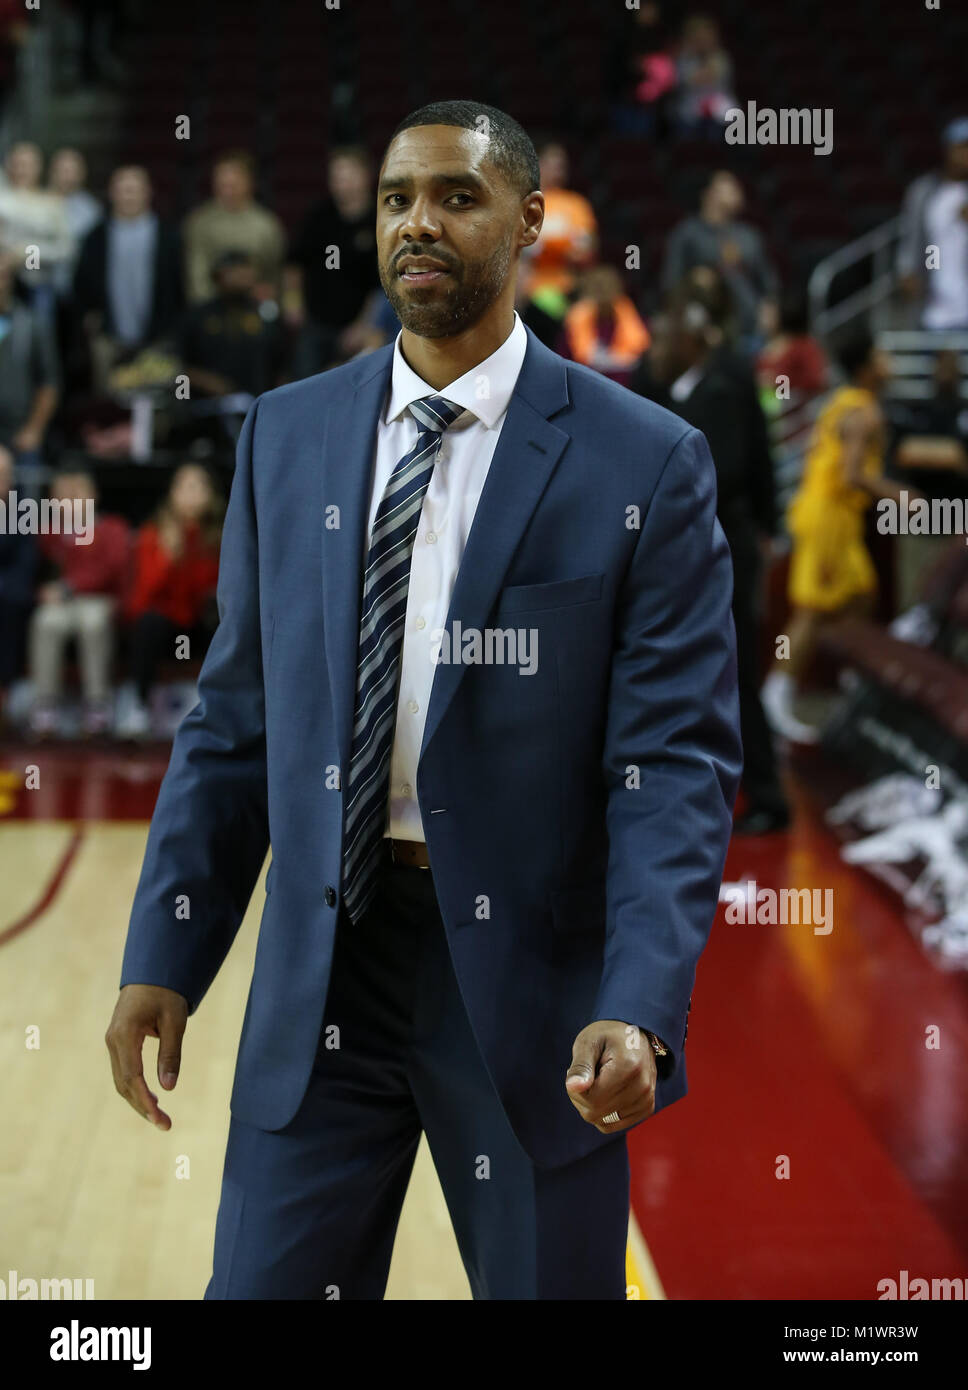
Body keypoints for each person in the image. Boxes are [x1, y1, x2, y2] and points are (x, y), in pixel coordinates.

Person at [107, 99, 741, 1301]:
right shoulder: (286, 437)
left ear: (528, 224)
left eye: (456, 196)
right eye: (399, 198)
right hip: (324, 967)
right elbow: (232, 724)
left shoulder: (643, 460)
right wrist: (166, 951)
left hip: (528, 990)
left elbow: (671, 762)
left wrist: (641, 1002)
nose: (418, 223)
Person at [632, 280, 789, 834]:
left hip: (726, 551)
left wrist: (771, 528)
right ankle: (681, 789)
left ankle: (768, 795)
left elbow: (749, 465)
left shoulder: (728, 385)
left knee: (737, 672)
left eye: (666, 338)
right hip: (670, 556)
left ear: (693, 341)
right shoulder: (658, 388)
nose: (654, 348)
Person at [762, 333, 909, 744]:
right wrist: (902, 496)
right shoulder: (863, 413)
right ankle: (776, 694)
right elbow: (852, 475)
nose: (889, 363)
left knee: (861, 595)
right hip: (828, 517)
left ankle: (851, 680)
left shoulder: (843, 400)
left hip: (829, 515)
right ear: (866, 367)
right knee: (810, 610)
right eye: (882, 355)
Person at [120, 463, 222, 739]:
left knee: (226, 621)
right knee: (148, 624)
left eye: (198, 486)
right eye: (184, 486)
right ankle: (139, 708)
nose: (191, 494)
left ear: (210, 495)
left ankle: (222, 710)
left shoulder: (219, 536)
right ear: (172, 494)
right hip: (168, 630)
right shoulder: (153, 534)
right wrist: (169, 557)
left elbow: (212, 591)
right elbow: (143, 596)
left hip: (198, 626)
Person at [27, 469, 130, 737]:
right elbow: (33, 571)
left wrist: (69, 587)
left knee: (93, 623)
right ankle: (45, 707)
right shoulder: (49, 534)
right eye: (63, 494)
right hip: (63, 605)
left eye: (77, 493)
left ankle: (98, 706)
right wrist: (44, 592)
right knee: (45, 621)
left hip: (99, 600)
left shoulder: (111, 527)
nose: (70, 500)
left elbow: (112, 568)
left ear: (93, 496)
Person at [73, 165, 184, 391]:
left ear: (147, 192)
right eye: (123, 189)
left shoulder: (169, 237)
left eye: (134, 189)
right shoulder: (94, 238)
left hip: (158, 338)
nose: (128, 196)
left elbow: (178, 286)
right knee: (108, 407)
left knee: (156, 406)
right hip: (108, 339)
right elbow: (82, 285)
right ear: (112, 193)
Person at [283, 146, 382, 377]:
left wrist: (364, 325)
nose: (342, 183)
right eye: (337, 177)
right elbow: (295, 263)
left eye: (349, 176)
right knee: (305, 382)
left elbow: (380, 285)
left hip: (358, 325)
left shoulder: (378, 220)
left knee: (355, 385)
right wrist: (292, 302)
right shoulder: (319, 216)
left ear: (366, 176)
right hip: (315, 321)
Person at [662, 169, 778, 345]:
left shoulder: (749, 236)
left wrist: (769, 310)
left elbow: (767, 282)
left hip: (749, 329)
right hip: (705, 332)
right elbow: (672, 283)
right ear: (708, 194)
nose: (738, 192)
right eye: (730, 187)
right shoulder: (687, 234)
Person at [177, 250, 287, 400]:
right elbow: (178, 366)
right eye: (235, 269)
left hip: (257, 403)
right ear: (218, 276)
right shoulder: (198, 317)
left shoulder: (266, 314)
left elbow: (281, 366)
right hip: (208, 407)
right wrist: (206, 381)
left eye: (247, 269)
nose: (243, 275)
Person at [183, 151, 286, 304]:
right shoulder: (199, 222)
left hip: (255, 309)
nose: (227, 190)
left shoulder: (266, 225)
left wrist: (266, 292)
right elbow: (196, 278)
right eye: (222, 183)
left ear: (250, 182)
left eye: (233, 183)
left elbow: (275, 274)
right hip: (211, 311)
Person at [897, 117, 968, 332]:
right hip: (935, 295)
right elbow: (913, 235)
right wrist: (907, 269)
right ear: (948, 150)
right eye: (962, 147)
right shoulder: (924, 191)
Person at [517, 140, 598, 314]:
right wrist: (561, 243)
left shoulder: (576, 204)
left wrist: (544, 244)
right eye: (552, 165)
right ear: (537, 164)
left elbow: (584, 251)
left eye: (562, 166)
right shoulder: (523, 201)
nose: (558, 171)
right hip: (525, 288)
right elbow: (520, 246)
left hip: (565, 289)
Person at [0, 141, 73, 319]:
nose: (21, 170)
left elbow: (65, 250)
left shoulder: (51, 204)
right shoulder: (3, 198)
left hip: (37, 286)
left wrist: (27, 253)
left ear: (39, 167)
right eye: (17, 164)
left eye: (27, 165)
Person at [0, 249, 60, 460]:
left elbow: (49, 383)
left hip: (18, 432)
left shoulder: (32, 324)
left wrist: (34, 429)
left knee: (26, 487)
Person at [557, 263, 650, 387]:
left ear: (619, 288)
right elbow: (562, 362)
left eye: (608, 286)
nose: (603, 291)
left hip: (626, 389)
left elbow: (644, 362)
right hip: (583, 385)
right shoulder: (573, 323)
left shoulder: (638, 322)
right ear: (587, 290)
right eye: (597, 286)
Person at [0, 444, 38, 724]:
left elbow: (26, 560)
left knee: (12, 602)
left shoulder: (22, 507)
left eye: (5, 475)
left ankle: (6, 690)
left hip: (8, 589)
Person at [47, 147, 102, 294]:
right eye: (63, 170)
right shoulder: (37, 203)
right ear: (52, 172)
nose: (67, 176)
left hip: (78, 288)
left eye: (72, 171)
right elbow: (29, 247)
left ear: (82, 174)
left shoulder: (91, 211)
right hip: (41, 286)